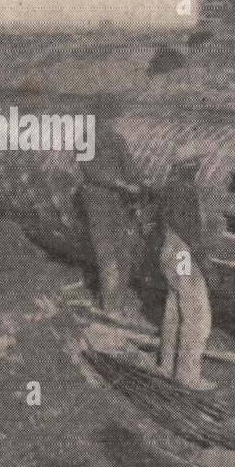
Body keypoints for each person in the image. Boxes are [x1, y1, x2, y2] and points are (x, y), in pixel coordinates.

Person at [157, 158, 220, 392]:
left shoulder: (169, 189)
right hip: (182, 254)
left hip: (169, 251)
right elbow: (191, 233)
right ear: (189, 169)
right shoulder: (185, 192)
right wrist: (206, 267)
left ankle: (166, 366)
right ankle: (186, 375)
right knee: (198, 318)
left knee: (174, 312)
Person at [80, 120, 147, 327]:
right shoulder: (85, 139)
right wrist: (121, 184)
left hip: (117, 202)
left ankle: (115, 302)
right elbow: (89, 170)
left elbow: (130, 168)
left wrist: (140, 184)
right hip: (97, 201)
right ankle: (110, 307)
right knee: (107, 253)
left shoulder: (117, 140)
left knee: (123, 255)